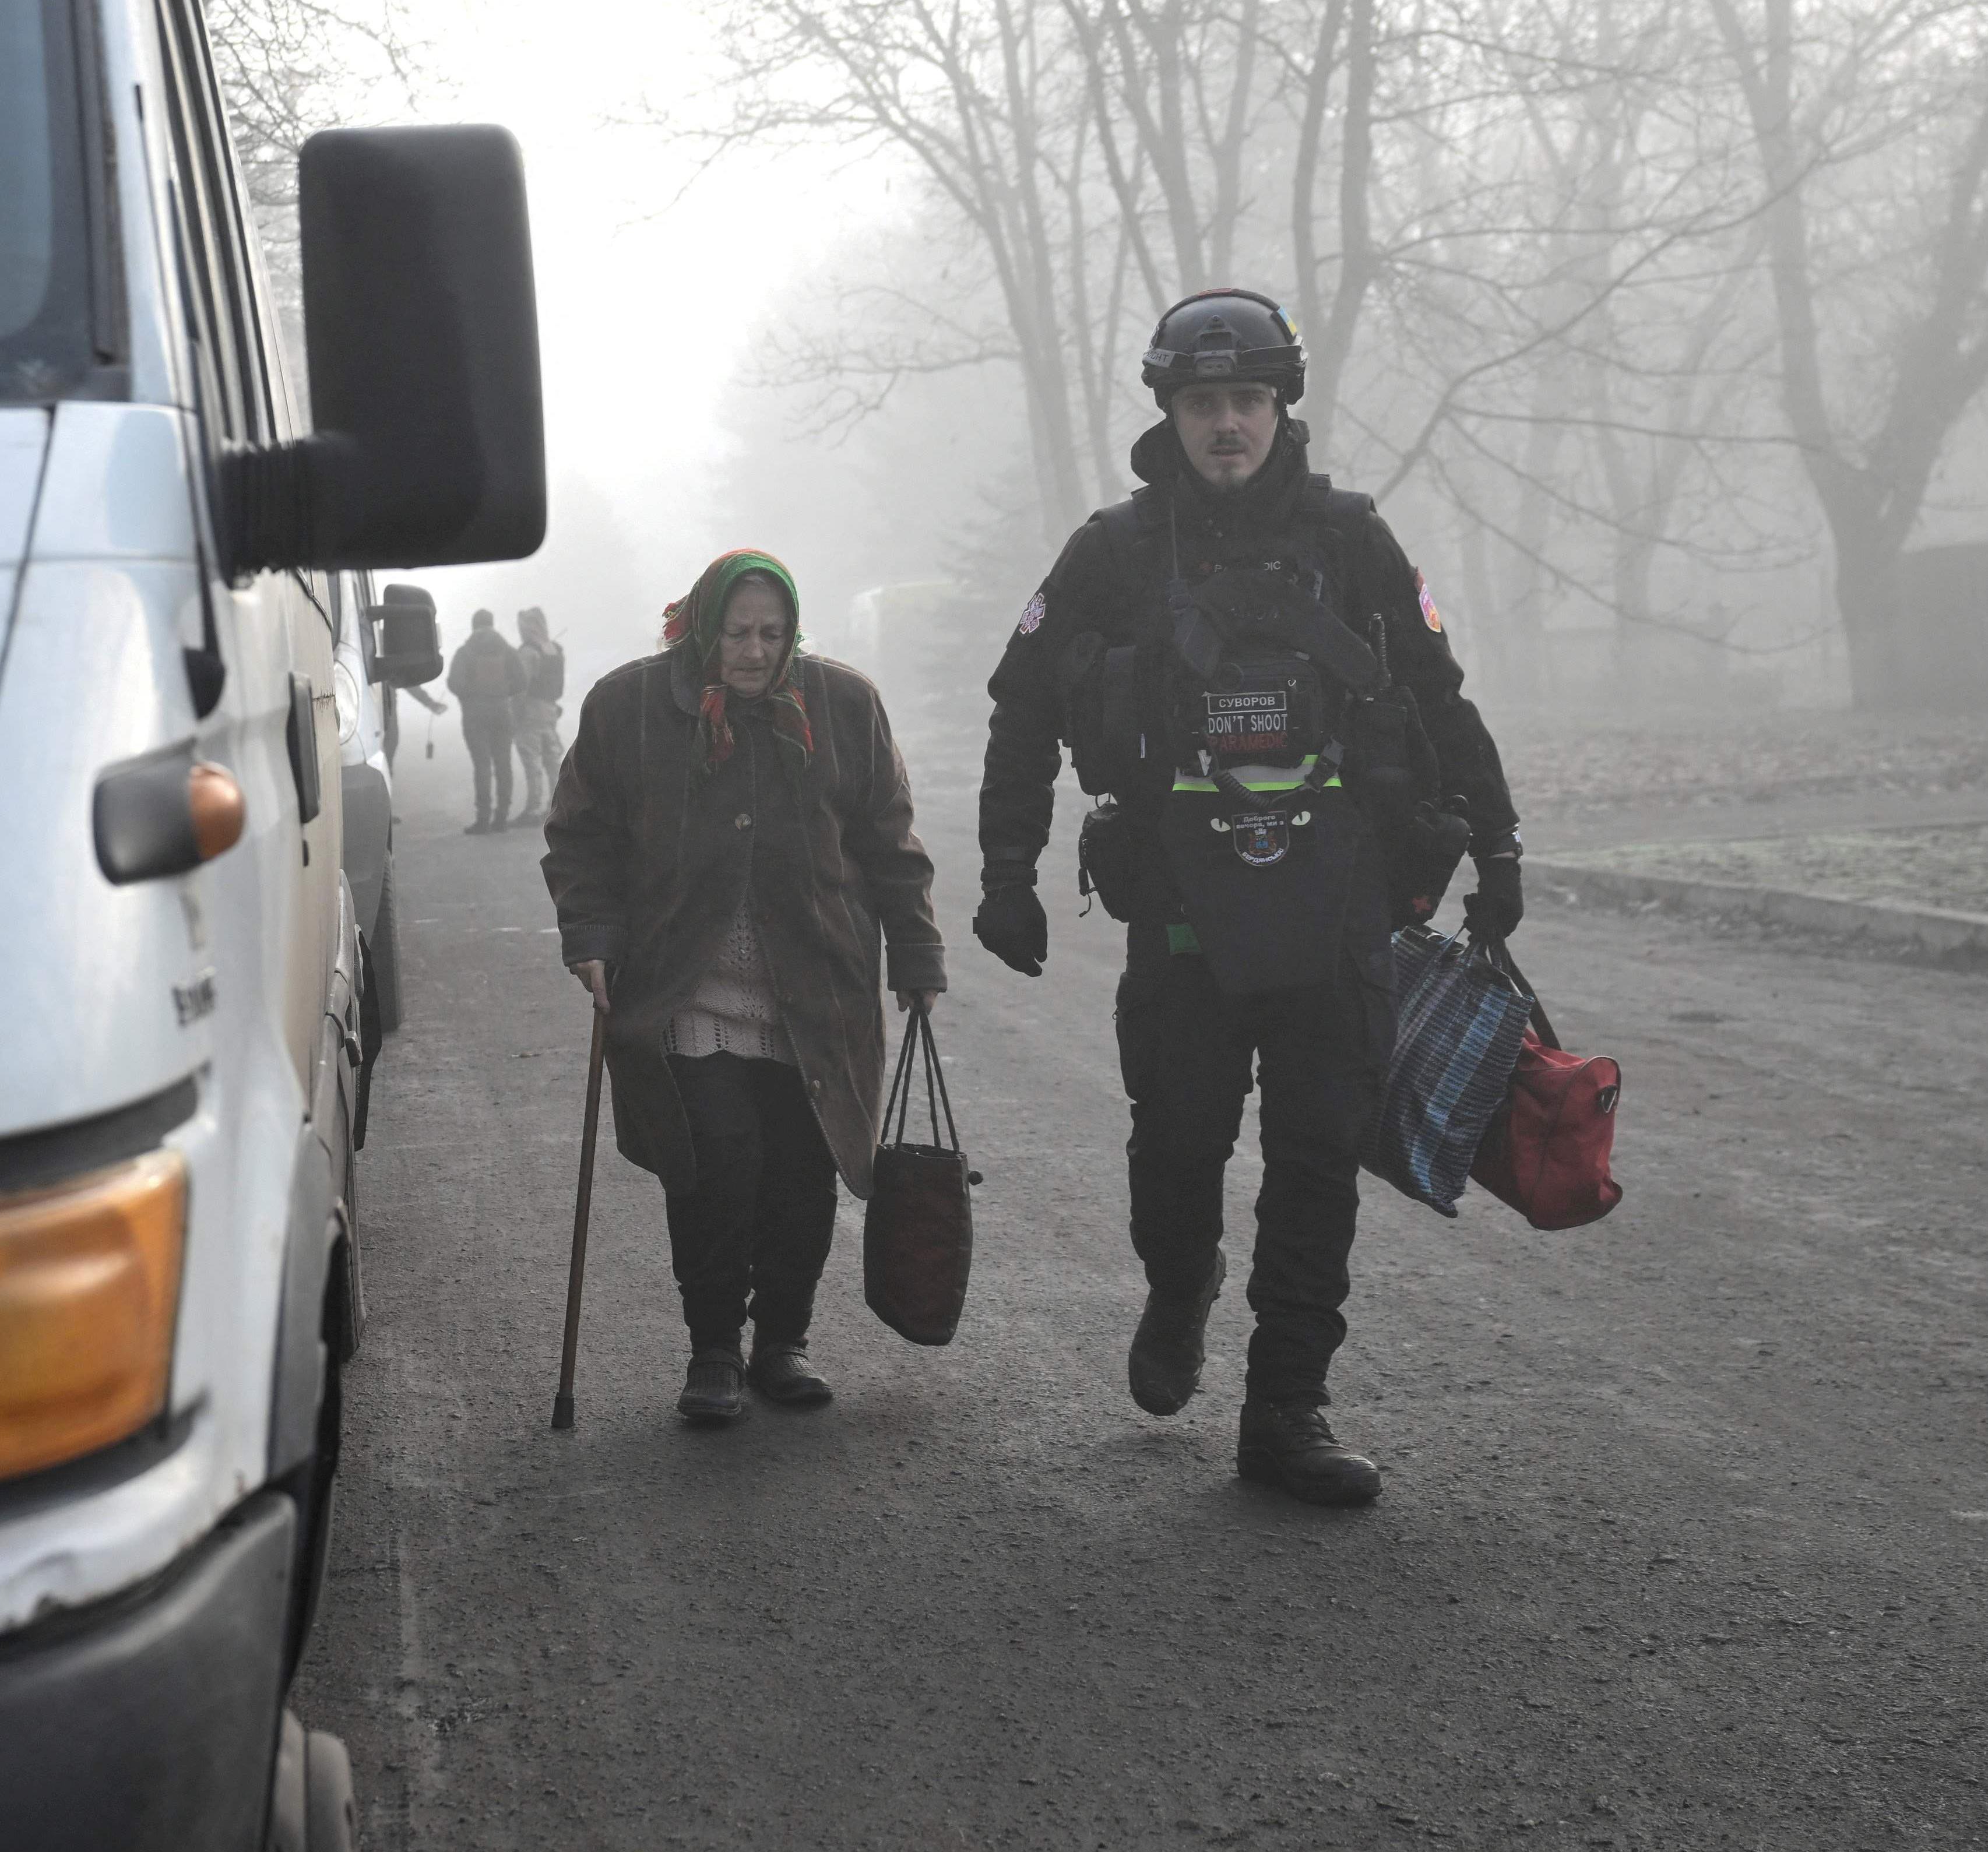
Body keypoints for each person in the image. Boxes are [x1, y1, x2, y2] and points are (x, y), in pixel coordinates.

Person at [973, 288, 1524, 1507]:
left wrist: (1499, 846)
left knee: (1316, 1159)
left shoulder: (1350, 541)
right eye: (1200, 402)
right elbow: (1018, 707)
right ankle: (1179, 1282)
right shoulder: (1111, 555)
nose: (1224, 423)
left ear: (1279, 408)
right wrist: (1002, 875)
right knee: (1174, 1148)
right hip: (1179, 914)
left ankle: (1284, 1410)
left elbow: (1438, 694)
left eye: (1244, 400)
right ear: (1165, 413)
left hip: (1338, 908)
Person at [544, 550, 948, 1423]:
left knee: (803, 1174)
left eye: (772, 634)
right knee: (716, 1169)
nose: (755, 651)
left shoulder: (843, 705)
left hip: (815, 992)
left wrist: (916, 956)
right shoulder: (629, 706)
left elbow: (888, 840)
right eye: (736, 632)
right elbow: (580, 837)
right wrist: (590, 937)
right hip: (684, 989)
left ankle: (781, 1344)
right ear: (699, 626)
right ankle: (714, 1350)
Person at [446, 608, 523, 833]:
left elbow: (453, 682)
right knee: (504, 763)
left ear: (474, 626)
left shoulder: (466, 651)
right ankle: (502, 818)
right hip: (502, 710)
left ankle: (483, 819)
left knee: (482, 765)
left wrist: (470, 694)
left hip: (475, 713)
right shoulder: (507, 650)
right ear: (493, 624)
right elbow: (522, 681)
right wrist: (504, 691)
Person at [512, 606, 569, 819]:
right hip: (551, 710)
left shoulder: (528, 652)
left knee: (532, 760)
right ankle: (557, 806)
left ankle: (534, 808)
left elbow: (521, 687)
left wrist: (514, 713)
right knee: (552, 760)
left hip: (531, 711)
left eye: (523, 626)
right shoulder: (555, 650)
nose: (521, 631)